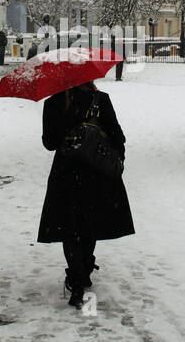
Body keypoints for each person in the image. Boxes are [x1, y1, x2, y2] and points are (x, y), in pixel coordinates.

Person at [37, 80, 134, 307]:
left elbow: (49, 143)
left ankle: (76, 277)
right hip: (96, 172)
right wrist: (116, 160)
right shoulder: (100, 100)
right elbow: (118, 136)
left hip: (66, 173)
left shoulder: (54, 103)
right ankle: (85, 269)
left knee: (69, 226)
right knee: (89, 222)